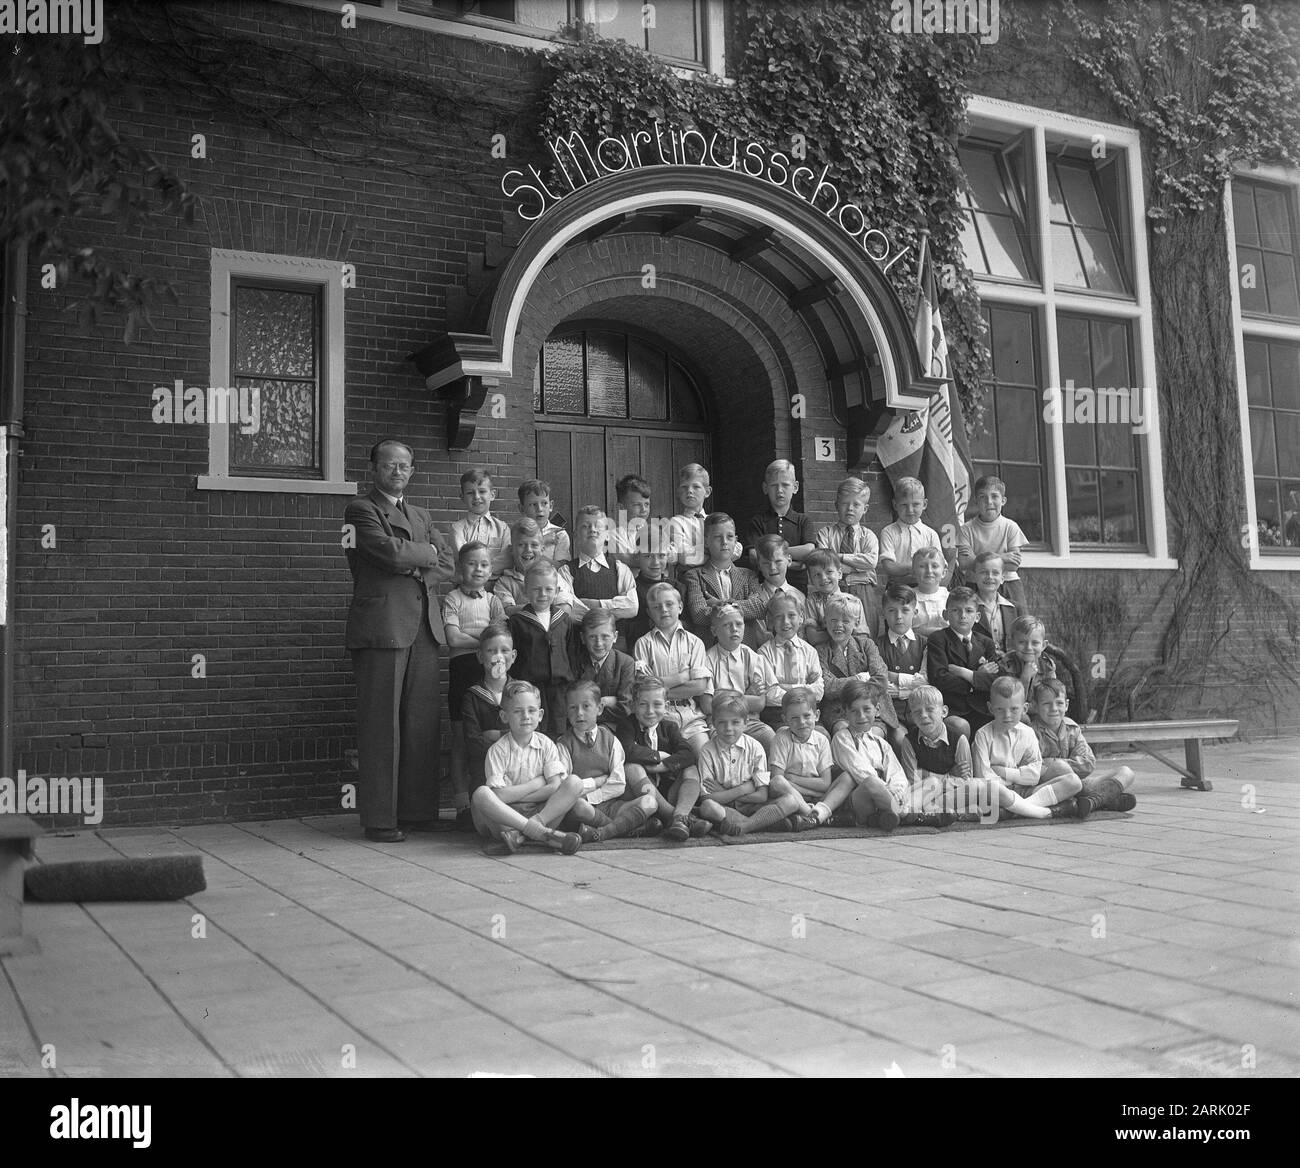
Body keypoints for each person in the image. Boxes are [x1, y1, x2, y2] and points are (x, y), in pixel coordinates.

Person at [344, 439, 453, 843]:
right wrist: (422, 554)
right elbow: (386, 553)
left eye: (404, 465)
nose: (397, 471)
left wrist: (417, 560)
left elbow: (447, 561)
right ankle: (380, 819)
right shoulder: (360, 510)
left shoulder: (421, 513)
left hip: (424, 628)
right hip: (382, 627)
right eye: (389, 465)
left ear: (412, 470)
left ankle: (418, 812)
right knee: (381, 726)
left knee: (420, 723)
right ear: (374, 468)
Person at [470, 680, 584, 855]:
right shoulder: (497, 751)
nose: (526, 716)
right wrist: (537, 784)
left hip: (542, 814)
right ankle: (540, 835)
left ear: (540, 715)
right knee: (481, 794)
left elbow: (554, 787)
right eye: (517, 711)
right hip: (508, 818)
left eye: (531, 710)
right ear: (504, 717)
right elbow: (498, 796)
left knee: (574, 782)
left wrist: (515, 795)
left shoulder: (547, 745)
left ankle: (529, 832)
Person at [442, 541, 506, 830]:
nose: (478, 569)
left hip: (492, 673)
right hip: (462, 670)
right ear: (459, 568)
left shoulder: (493, 600)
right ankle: (462, 805)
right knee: (461, 740)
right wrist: (485, 640)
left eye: (484, 564)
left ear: (491, 570)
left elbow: (501, 639)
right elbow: (452, 639)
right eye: (471, 563)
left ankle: (494, 796)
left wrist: (483, 642)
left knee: (494, 736)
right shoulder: (452, 599)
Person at [556, 681, 660, 843]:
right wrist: (598, 782)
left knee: (650, 802)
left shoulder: (611, 740)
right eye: (573, 708)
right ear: (566, 711)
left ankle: (603, 832)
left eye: (586, 706)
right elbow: (565, 786)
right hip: (584, 808)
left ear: (599, 709)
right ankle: (624, 829)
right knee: (578, 806)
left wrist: (592, 796)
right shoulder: (564, 744)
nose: (579, 713)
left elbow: (618, 783)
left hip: (612, 805)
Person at [694, 690, 803, 836]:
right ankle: (764, 823)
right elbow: (708, 797)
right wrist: (743, 789)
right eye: (722, 722)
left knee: (791, 801)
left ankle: (743, 827)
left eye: (735, 722)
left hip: (753, 806)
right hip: (725, 807)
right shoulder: (707, 751)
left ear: (745, 723)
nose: (729, 728)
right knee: (707, 807)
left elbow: (762, 796)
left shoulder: (755, 747)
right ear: (713, 723)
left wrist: (724, 792)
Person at [618, 675, 709, 841]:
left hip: (668, 791)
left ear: (666, 706)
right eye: (643, 704)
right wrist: (657, 756)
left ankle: (681, 815)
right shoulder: (627, 725)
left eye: (657, 704)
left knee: (691, 768)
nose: (650, 711)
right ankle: (674, 818)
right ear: (633, 705)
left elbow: (687, 754)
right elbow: (627, 750)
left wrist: (665, 765)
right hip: (641, 794)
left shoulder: (670, 727)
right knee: (632, 767)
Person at [1031, 679, 1138, 817]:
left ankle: (1093, 801)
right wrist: (1059, 766)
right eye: (1046, 704)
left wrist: (1053, 762)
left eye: (1059, 703)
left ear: (1067, 705)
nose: (1054, 709)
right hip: (1053, 787)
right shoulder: (1030, 732)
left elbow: (1088, 763)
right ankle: (1104, 799)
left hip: (1080, 784)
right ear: (1035, 706)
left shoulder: (1072, 729)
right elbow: (1035, 769)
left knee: (1126, 772)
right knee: (1060, 768)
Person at [973, 677, 1075, 817]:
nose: (1007, 715)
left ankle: (1017, 810)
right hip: (999, 793)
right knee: (990, 788)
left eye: (1014, 709)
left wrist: (1002, 771)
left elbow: (1034, 775)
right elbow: (983, 777)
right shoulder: (983, 735)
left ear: (1024, 708)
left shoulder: (1028, 733)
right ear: (991, 708)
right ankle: (1036, 811)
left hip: (1026, 790)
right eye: (1000, 709)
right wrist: (1018, 776)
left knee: (1073, 782)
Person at [632, 581, 712, 755]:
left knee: (704, 757)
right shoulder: (643, 644)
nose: (664, 610)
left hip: (692, 719)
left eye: (669, 604)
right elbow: (645, 687)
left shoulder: (695, 643)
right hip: (659, 719)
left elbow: (699, 686)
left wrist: (659, 690)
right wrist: (682, 678)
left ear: (681, 607)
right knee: (666, 764)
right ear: (649, 613)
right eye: (657, 607)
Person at [506, 559, 575, 736]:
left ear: (556, 590)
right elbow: (512, 657)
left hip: (559, 689)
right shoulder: (518, 621)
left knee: (559, 731)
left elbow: (571, 653)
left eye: (548, 589)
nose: (543, 594)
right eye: (536, 589)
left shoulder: (564, 620)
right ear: (526, 590)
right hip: (530, 687)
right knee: (533, 730)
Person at [559, 505, 639, 651]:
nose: (593, 530)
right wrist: (612, 611)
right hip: (578, 646)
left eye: (598, 527)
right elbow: (569, 611)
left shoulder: (620, 569)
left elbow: (632, 607)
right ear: (576, 535)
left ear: (607, 535)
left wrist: (595, 604)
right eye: (585, 526)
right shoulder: (565, 571)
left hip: (616, 647)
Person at [702, 602, 779, 753]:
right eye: (727, 625)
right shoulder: (707, 659)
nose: (734, 629)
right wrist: (744, 695)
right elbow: (707, 705)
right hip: (719, 723)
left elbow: (759, 703)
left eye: (739, 624)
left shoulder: (753, 657)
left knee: (771, 739)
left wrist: (721, 695)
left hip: (750, 721)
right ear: (714, 631)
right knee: (718, 747)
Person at [817, 593, 895, 741]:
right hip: (839, 712)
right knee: (845, 734)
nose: (838, 625)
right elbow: (827, 687)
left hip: (871, 710)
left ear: (856, 622)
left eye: (845, 621)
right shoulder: (821, 650)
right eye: (833, 620)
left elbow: (881, 680)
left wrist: (844, 684)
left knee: (871, 737)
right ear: (826, 621)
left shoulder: (866, 644)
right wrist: (860, 678)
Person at [927, 587, 998, 735]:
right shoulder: (938, 639)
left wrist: (968, 674)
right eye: (955, 610)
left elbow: (994, 680)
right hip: (954, 707)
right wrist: (978, 679)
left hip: (983, 706)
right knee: (960, 726)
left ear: (978, 616)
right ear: (945, 614)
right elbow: (939, 678)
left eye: (969, 611)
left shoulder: (987, 643)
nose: (962, 616)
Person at [462, 622, 515, 818]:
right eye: (491, 650)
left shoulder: (522, 692)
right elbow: (474, 744)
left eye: (504, 650)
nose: (498, 656)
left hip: (519, 774)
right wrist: (511, 737)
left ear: (513, 656)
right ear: (480, 656)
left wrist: (496, 735)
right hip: (485, 774)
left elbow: (533, 736)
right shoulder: (472, 696)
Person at [815, 476, 880, 635]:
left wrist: (840, 557)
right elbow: (825, 562)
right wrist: (858, 566)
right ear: (836, 505)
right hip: (834, 590)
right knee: (835, 632)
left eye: (856, 504)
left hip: (863, 591)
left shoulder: (869, 536)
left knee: (865, 633)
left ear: (865, 509)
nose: (850, 508)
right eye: (845, 503)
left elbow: (871, 561)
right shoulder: (826, 534)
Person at [683, 512, 760, 644]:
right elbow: (699, 615)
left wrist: (719, 603)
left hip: (745, 648)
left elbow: (758, 608)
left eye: (729, 537)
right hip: (711, 650)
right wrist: (737, 608)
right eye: (718, 537)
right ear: (706, 542)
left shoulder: (749, 575)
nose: (724, 542)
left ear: (735, 541)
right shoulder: (694, 576)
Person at [957, 475, 1028, 612]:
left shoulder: (1010, 527)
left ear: (1003, 500)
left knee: (1019, 624)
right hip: (975, 584)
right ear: (976, 501)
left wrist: (976, 559)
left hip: (1007, 583)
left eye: (994, 496)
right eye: (983, 497)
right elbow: (964, 563)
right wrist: (1003, 557)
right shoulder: (966, 529)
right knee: (976, 626)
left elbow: (1013, 565)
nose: (989, 502)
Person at [757, 591, 825, 729]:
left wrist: (786, 687)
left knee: (822, 735)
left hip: (807, 714)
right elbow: (770, 694)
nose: (786, 622)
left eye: (791, 615)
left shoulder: (810, 651)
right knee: (783, 735)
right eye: (779, 617)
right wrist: (805, 688)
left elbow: (819, 691)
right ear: (770, 621)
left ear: (801, 617)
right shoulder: (764, 653)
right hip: (777, 715)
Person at [768, 687, 835, 823]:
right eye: (794, 718)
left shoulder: (821, 740)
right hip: (789, 794)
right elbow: (777, 779)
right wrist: (811, 790)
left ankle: (806, 816)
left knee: (844, 781)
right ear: (785, 719)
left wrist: (793, 778)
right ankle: (812, 815)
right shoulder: (781, 739)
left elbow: (825, 783)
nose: (802, 722)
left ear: (816, 715)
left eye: (806, 716)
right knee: (778, 783)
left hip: (816, 796)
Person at [747, 459, 815, 591]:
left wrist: (770, 556)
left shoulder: (803, 521)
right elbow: (754, 556)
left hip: (797, 587)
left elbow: (809, 551)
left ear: (795, 487)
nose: (779, 490)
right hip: (764, 588)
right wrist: (791, 562)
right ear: (765, 488)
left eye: (785, 485)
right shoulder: (758, 522)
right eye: (774, 485)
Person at [572, 608, 637, 738]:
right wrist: (606, 702)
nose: (599, 643)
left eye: (605, 636)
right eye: (592, 637)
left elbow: (625, 708)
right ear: (583, 638)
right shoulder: (574, 662)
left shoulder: (625, 663)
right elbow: (571, 704)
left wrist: (588, 709)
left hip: (614, 729)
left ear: (615, 637)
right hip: (579, 728)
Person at [494, 517, 575, 616]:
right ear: (511, 549)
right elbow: (508, 611)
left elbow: (565, 609)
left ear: (542, 549)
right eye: (521, 545)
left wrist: (531, 609)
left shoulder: (554, 577)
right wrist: (544, 608)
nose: (528, 550)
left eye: (534, 545)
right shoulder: (505, 583)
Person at [739, 534, 808, 645]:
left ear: (789, 560)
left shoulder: (799, 596)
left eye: (778, 561)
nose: (772, 567)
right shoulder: (752, 596)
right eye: (766, 563)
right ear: (759, 565)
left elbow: (803, 633)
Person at [876, 583, 927, 728]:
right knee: (900, 738)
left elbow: (926, 681)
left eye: (905, 610)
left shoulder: (926, 644)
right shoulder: (875, 646)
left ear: (915, 612)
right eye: (892, 611)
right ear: (883, 613)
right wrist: (912, 688)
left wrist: (893, 680)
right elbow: (880, 684)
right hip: (890, 713)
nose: (898, 617)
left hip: (921, 711)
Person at [877, 477, 944, 586]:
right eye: (904, 505)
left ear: (925, 504)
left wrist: (905, 569)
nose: (910, 510)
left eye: (916, 504)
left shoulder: (931, 534)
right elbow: (889, 566)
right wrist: (918, 567)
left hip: (925, 588)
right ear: (895, 505)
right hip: (897, 588)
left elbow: (939, 565)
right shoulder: (888, 532)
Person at [448, 468, 512, 579]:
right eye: (470, 493)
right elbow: (464, 560)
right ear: (462, 497)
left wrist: (479, 570)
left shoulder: (503, 528)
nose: (477, 497)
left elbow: (506, 560)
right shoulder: (457, 529)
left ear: (492, 495)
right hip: (466, 589)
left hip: (497, 589)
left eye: (482, 491)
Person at [802, 549, 868, 646]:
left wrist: (831, 633)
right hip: (821, 655)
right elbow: (813, 638)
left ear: (840, 573)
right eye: (817, 574)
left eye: (829, 571)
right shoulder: (811, 601)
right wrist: (845, 632)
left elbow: (862, 637)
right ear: (811, 579)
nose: (824, 578)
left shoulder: (854, 602)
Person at [665, 462, 713, 571]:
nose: (689, 491)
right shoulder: (676, 522)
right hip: (690, 577)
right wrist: (715, 554)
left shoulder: (714, 521)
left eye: (696, 486)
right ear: (678, 492)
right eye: (684, 487)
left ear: (707, 492)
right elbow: (685, 558)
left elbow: (733, 550)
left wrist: (698, 551)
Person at [971, 551, 1018, 653]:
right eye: (984, 572)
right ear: (974, 577)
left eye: (995, 573)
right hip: (979, 665)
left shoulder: (1014, 608)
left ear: (1002, 578)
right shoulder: (967, 607)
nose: (990, 577)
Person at [517, 478, 570, 564]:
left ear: (551, 506)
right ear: (522, 509)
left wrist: (534, 554)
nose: (539, 509)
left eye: (544, 503)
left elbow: (562, 568)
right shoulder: (517, 533)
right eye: (533, 504)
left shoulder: (559, 535)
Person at [606, 473, 654, 568]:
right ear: (622, 507)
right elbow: (629, 560)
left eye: (646, 504)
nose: (644, 509)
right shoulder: (615, 536)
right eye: (637, 505)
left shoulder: (652, 531)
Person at [910, 546, 950, 635]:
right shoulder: (907, 598)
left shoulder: (950, 598)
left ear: (944, 572)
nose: (929, 571)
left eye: (934, 566)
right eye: (922, 566)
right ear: (913, 572)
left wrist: (920, 630)